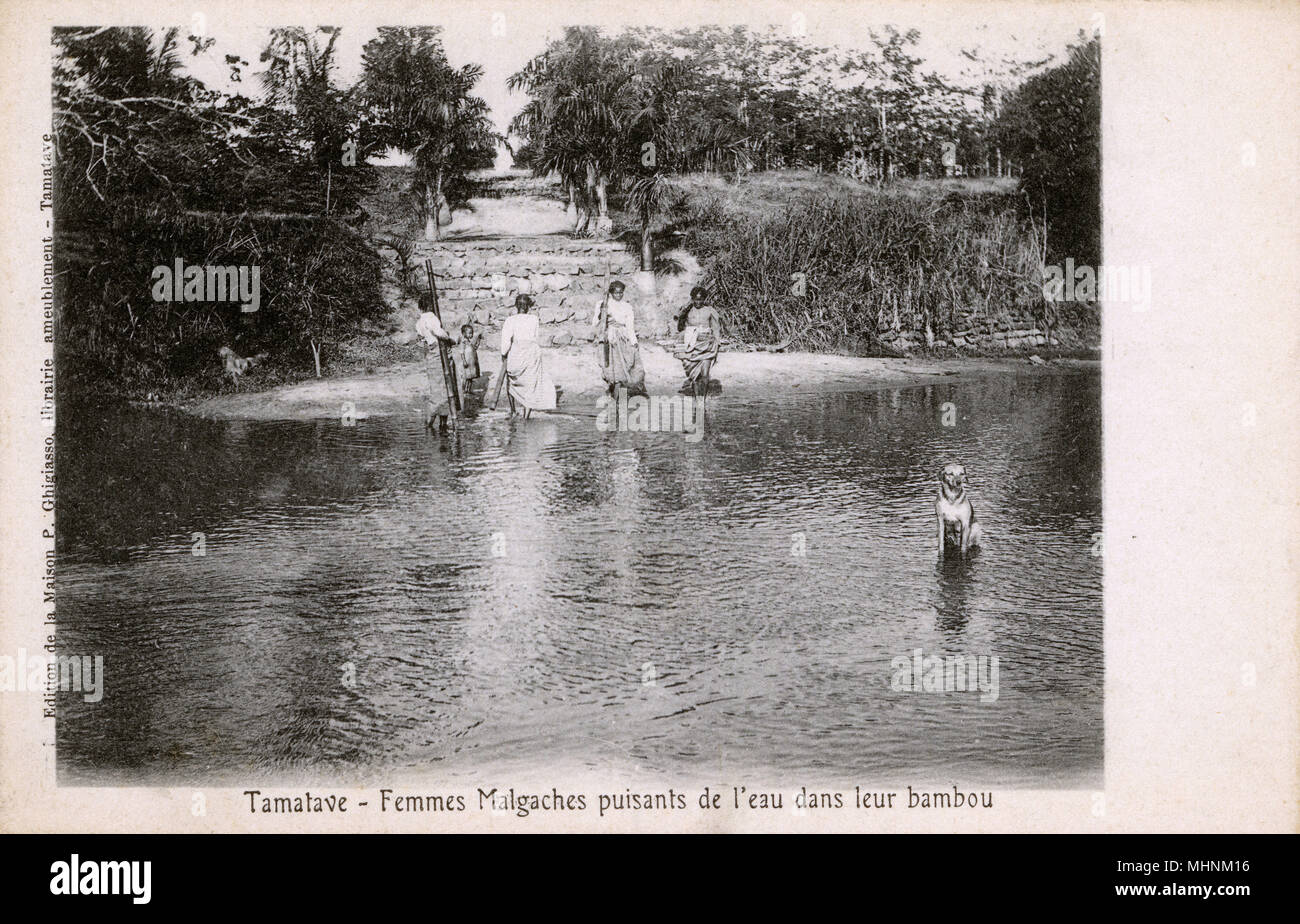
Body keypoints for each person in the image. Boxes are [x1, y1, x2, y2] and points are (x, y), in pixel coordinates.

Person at [499, 294, 557, 419]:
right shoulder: (534, 319)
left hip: (516, 352)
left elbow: (505, 341)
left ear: (516, 306)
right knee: (530, 384)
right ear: (528, 307)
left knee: (511, 381)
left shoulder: (510, 320)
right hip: (531, 352)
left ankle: (513, 411)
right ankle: (526, 415)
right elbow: (535, 337)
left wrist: (504, 354)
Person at [590, 280, 645, 396]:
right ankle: (612, 388)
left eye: (621, 293)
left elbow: (630, 326)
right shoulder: (602, 304)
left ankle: (618, 392)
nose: (619, 295)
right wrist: (601, 313)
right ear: (611, 293)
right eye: (616, 293)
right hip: (608, 338)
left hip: (622, 337)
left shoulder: (627, 306)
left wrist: (634, 341)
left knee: (624, 365)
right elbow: (595, 322)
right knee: (609, 366)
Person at [416, 294, 457, 428]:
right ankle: (438, 420)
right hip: (438, 351)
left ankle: (436, 421)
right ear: (430, 305)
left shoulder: (420, 321)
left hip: (431, 351)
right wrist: (450, 339)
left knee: (437, 386)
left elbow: (422, 336)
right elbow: (438, 332)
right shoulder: (431, 318)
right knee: (444, 385)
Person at [674, 286, 722, 397]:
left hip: (707, 345)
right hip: (692, 345)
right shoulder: (687, 311)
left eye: (700, 299)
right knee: (695, 375)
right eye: (696, 299)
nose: (698, 302)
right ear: (692, 299)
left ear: (704, 299)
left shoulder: (710, 311)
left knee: (705, 374)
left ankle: (703, 399)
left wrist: (717, 344)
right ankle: (697, 398)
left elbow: (716, 329)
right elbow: (681, 328)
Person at [451, 322, 484, 407]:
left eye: (472, 333)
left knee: (471, 377)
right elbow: (461, 352)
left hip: (472, 361)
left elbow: (475, 347)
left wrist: (479, 340)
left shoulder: (469, 342)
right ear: (463, 334)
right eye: (469, 333)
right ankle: (465, 390)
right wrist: (464, 361)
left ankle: (468, 390)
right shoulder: (463, 342)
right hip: (467, 361)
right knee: (466, 377)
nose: (471, 335)